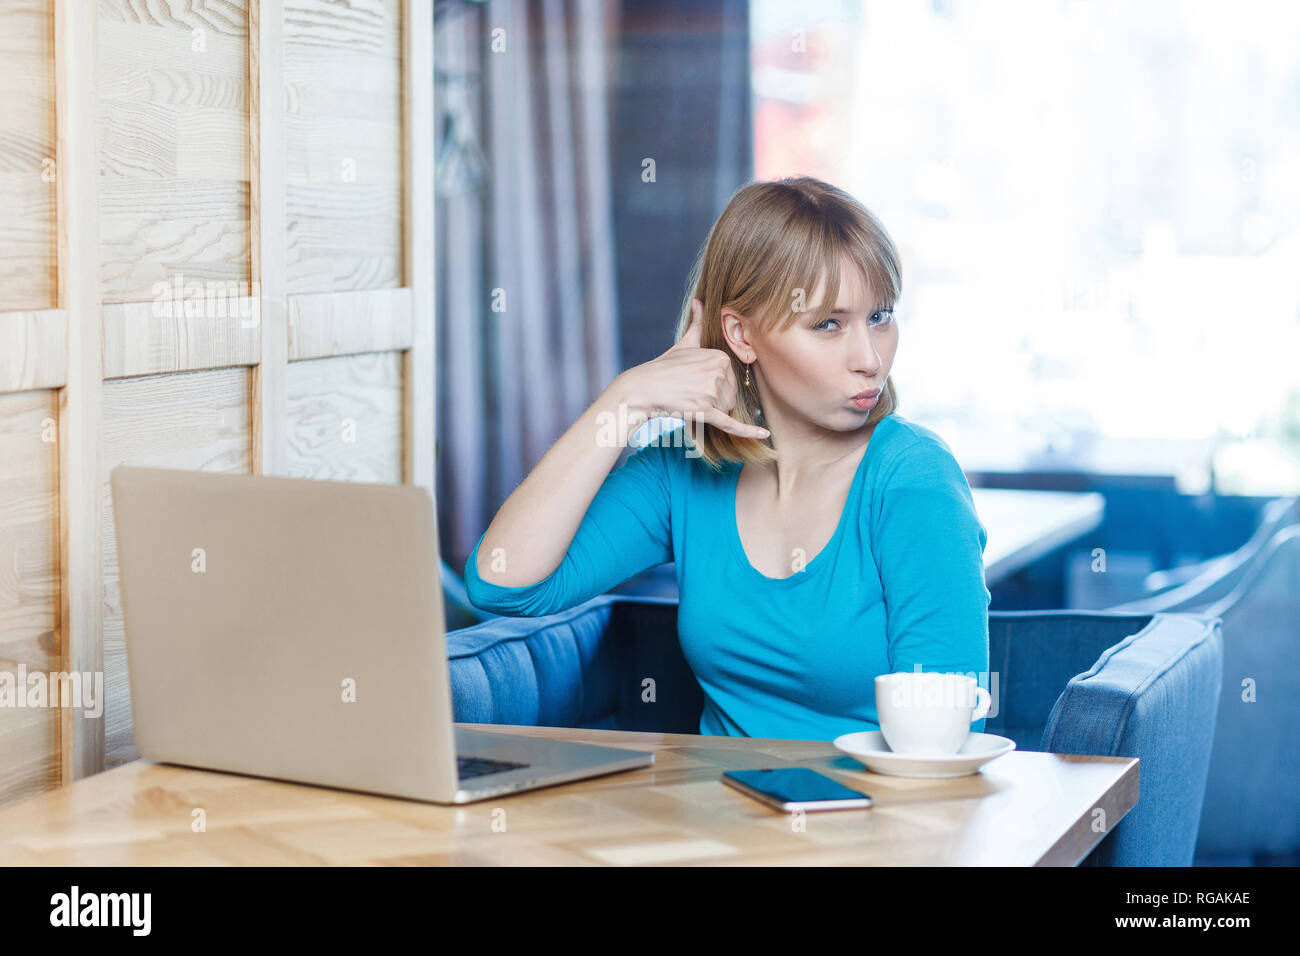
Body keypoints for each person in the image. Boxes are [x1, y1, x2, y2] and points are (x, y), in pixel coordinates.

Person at [464, 176, 990, 740]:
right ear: (740, 335)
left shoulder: (913, 477)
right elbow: (503, 585)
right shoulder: (684, 472)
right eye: (828, 324)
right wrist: (626, 400)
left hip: (873, 821)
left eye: (880, 316)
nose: (869, 358)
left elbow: (940, 742)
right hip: (716, 820)